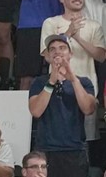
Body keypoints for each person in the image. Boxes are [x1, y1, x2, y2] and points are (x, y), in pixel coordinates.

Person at [28, 34, 96, 176]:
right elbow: (35, 111)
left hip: (75, 150)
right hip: (45, 150)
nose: (57, 51)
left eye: (62, 48)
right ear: (47, 56)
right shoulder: (39, 82)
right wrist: (51, 82)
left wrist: (73, 79)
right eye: (52, 49)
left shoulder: (84, 82)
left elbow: (88, 109)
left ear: (71, 54)